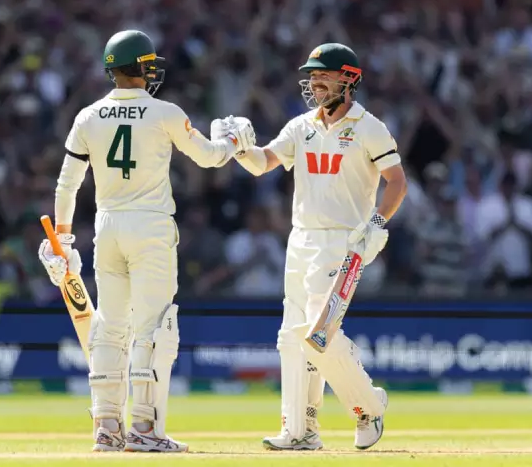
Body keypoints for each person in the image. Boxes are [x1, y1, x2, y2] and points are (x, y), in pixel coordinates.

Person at [37, 30, 254, 453]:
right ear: (140, 68)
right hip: (150, 227)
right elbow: (209, 157)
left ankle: (106, 428)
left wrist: (62, 239)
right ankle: (145, 430)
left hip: (108, 226)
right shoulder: (164, 112)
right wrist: (233, 142)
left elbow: (67, 184)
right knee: (155, 330)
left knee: (110, 329)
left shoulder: (88, 116)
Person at [218, 42, 408, 451]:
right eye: (312, 76)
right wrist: (238, 147)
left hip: (344, 241)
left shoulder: (368, 126)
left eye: (324, 74)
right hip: (300, 239)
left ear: (349, 79)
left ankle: (369, 406)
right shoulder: (300, 126)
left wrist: (376, 223)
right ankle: (300, 430)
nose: (315, 82)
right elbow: (262, 163)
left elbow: (397, 181)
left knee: (319, 333)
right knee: (291, 336)